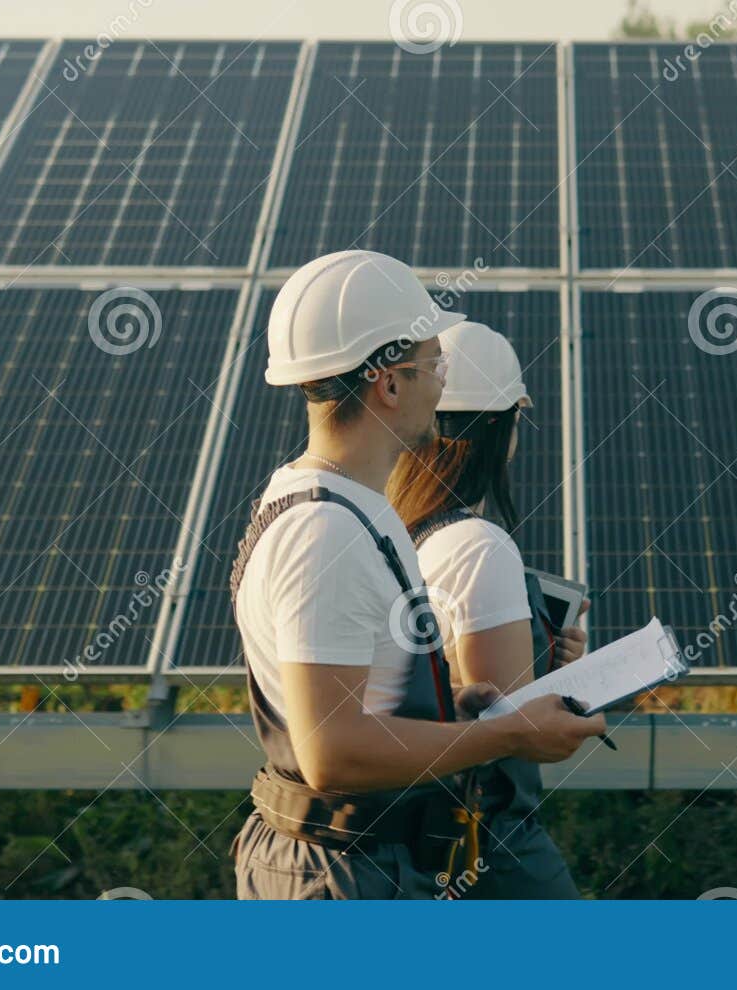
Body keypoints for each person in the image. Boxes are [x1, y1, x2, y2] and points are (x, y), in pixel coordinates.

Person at [229, 250, 606, 900]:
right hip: (343, 876)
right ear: (391, 383)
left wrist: (451, 706)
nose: (442, 383)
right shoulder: (328, 532)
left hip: (361, 863)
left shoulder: (335, 505)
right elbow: (332, 751)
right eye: (435, 364)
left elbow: (363, 703)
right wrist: (510, 732)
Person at [387, 320, 588, 898]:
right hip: (492, 845)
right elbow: (510, 727)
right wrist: (573, 679)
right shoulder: (480, 546)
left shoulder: (390, 532)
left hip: (416, 840)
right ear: (504, 428)